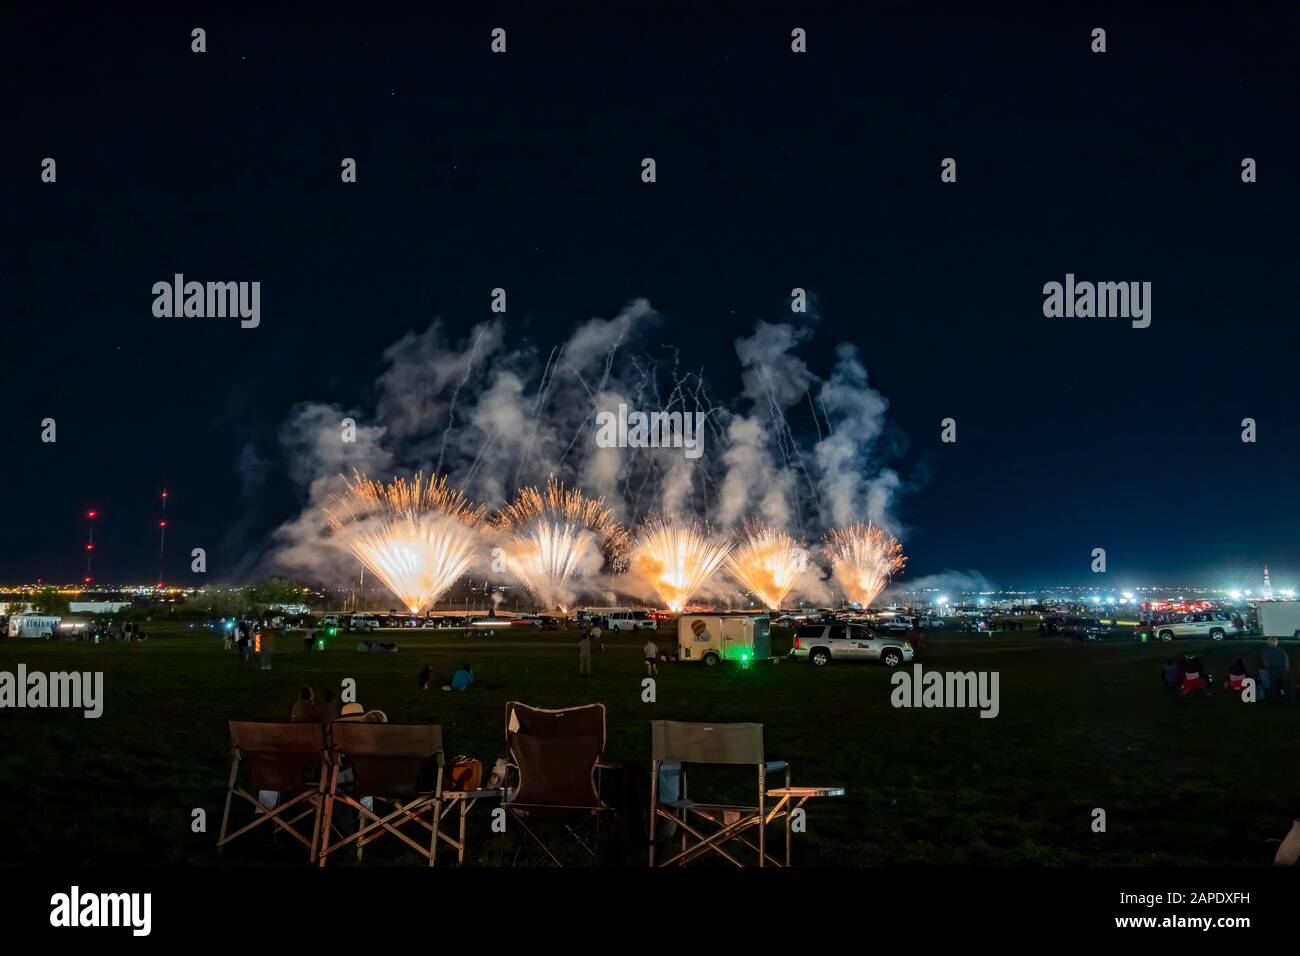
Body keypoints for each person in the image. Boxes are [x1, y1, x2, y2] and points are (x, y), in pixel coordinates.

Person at [1261, 637, 1291, 702]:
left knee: (1273, 685)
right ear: (1276, 643)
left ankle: (1275, 699)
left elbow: (1266, 664)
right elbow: (1286, 661)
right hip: (1283, 670)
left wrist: (1267, 669)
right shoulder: (1282, 651)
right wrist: (1286, 670)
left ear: (1269, 643)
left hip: (1273, 670)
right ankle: (1286, 698)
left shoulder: (1266, 652)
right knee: (1284, 685)